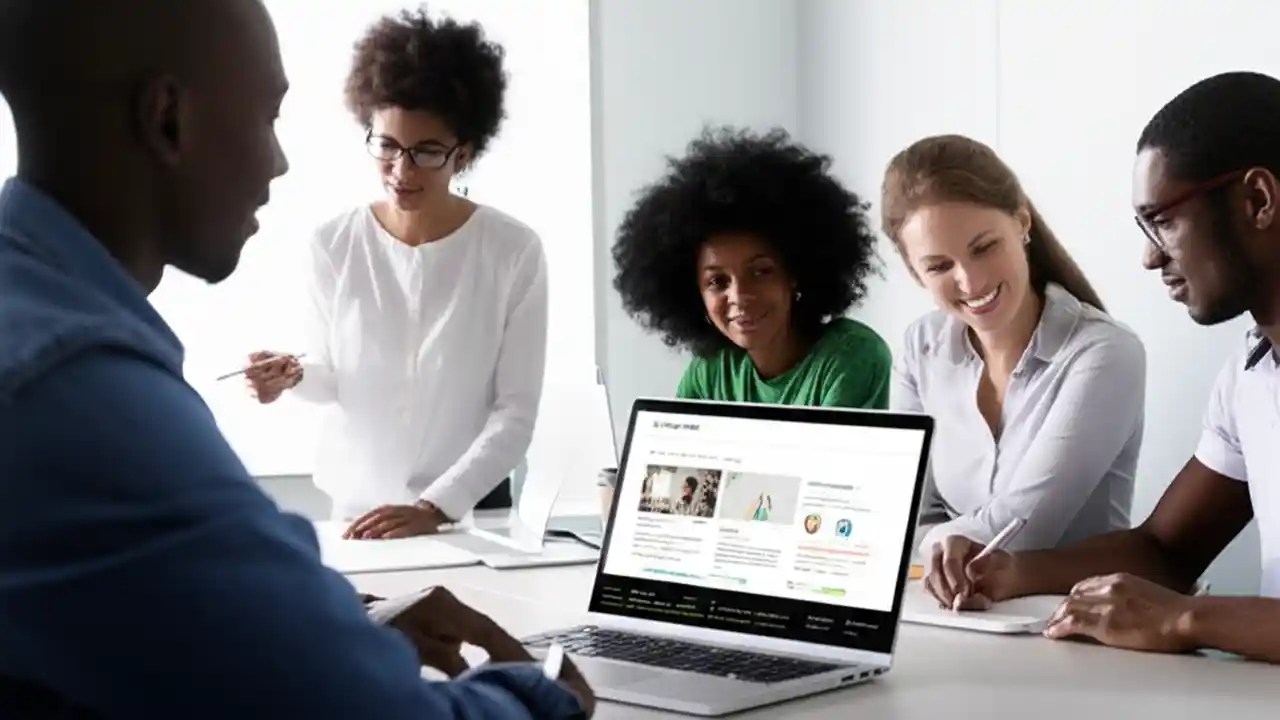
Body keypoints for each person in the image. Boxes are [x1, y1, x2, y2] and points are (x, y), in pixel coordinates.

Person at [0, 1, 593, 716]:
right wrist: (539, 696)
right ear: (168, 118)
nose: (280, 162)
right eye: (268, 115)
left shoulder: (40, 329)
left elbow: (185, 607)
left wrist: (345, 613)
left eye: (425, 150)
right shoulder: (84, 397)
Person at [928, 71, 1280, 664]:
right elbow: (1166, 549)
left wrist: (1185, 618)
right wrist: (1013, 571)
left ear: (1258, 201)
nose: (1149, 256)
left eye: (1162, 220)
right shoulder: (1249, 374)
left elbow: (1175, 591)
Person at [244, 7, 548, 539]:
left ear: (465, 153)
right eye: (386, 146)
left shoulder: (512, 252)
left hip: (464, 522)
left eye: (426, 151)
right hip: (357, 518)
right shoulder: (333, 244)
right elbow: (331, 377)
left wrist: (434, 508)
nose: (401, 171)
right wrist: (290, 376)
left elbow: (515, 415)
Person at [882, 134, 1146, 555]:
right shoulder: (921, 347)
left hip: (1069, 612)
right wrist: (934, 546)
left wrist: (927, 546)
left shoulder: (1104, 352)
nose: (970, 281)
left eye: (984, 248)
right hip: (953, 608)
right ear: (915, 273)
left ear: (1022, 223)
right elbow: (903, 513)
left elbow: (1020, 534)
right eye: (939, 266)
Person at [613, 127, 891, 408]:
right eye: (717, 282)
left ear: (794, 273)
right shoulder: (710, 370)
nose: (739, 295)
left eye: (760, 272)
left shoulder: (850, 357)